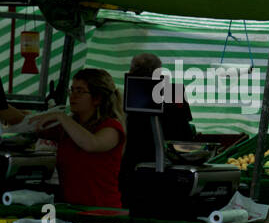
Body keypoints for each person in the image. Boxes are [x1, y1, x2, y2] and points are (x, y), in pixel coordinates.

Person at [27, 68, 126, 208]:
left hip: (104, 214)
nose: (72, 96)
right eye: (72, 90)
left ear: (97, 98)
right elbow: (27, 122)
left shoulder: (112, 127)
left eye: (80, 91)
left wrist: (60, 116)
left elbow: (91, 143)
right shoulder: (68, 126)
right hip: (72, 211)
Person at [119, 52, 195, 207]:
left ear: (131, 71)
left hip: (136, 163)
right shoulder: (175, 91)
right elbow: (186, 131)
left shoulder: (128, 93)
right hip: (168, 164)